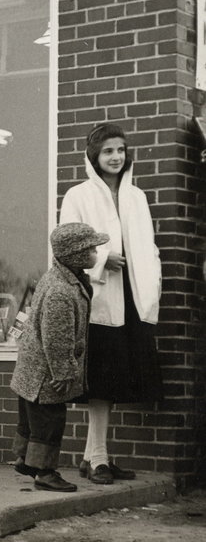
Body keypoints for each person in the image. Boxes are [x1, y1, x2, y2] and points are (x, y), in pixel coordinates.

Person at [59, 122, 164, 485]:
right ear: (94, 156)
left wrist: (152, 281)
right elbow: (68, 245)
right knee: (101, 383)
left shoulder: (137, 197)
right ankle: (99, 457)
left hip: (134, 299)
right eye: (107, 150)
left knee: (117, 380)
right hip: (99, 300)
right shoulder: (78, 195)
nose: (116, 156)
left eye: (120, 149)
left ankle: (94, 457)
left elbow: (148, 245)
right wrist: (103, 260)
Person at [10, 222, 104, 492]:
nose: (96, 252)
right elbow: (57, 336)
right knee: (50, 422)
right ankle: (45, 473)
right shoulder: (61, 291)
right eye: (91, 248)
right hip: (45, 372)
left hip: (33, 370)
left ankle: (25, 461)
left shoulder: (60, 278)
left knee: (33, 420)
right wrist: (63, 372)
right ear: (76, 255)